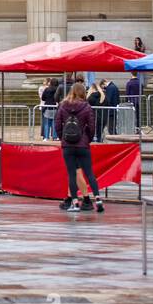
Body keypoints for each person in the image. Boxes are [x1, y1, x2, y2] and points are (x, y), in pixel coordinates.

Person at [55, 82, 103, 212]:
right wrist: (87, 138)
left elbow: (57, 125)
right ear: (83, 92)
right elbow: (92, 126)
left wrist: (63, 138)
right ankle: (97, 199)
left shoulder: (63, 105)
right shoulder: (86, 107)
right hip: (82, 144)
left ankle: (75, 202)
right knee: (89, 173)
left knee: (71, 174)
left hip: (68, 145)